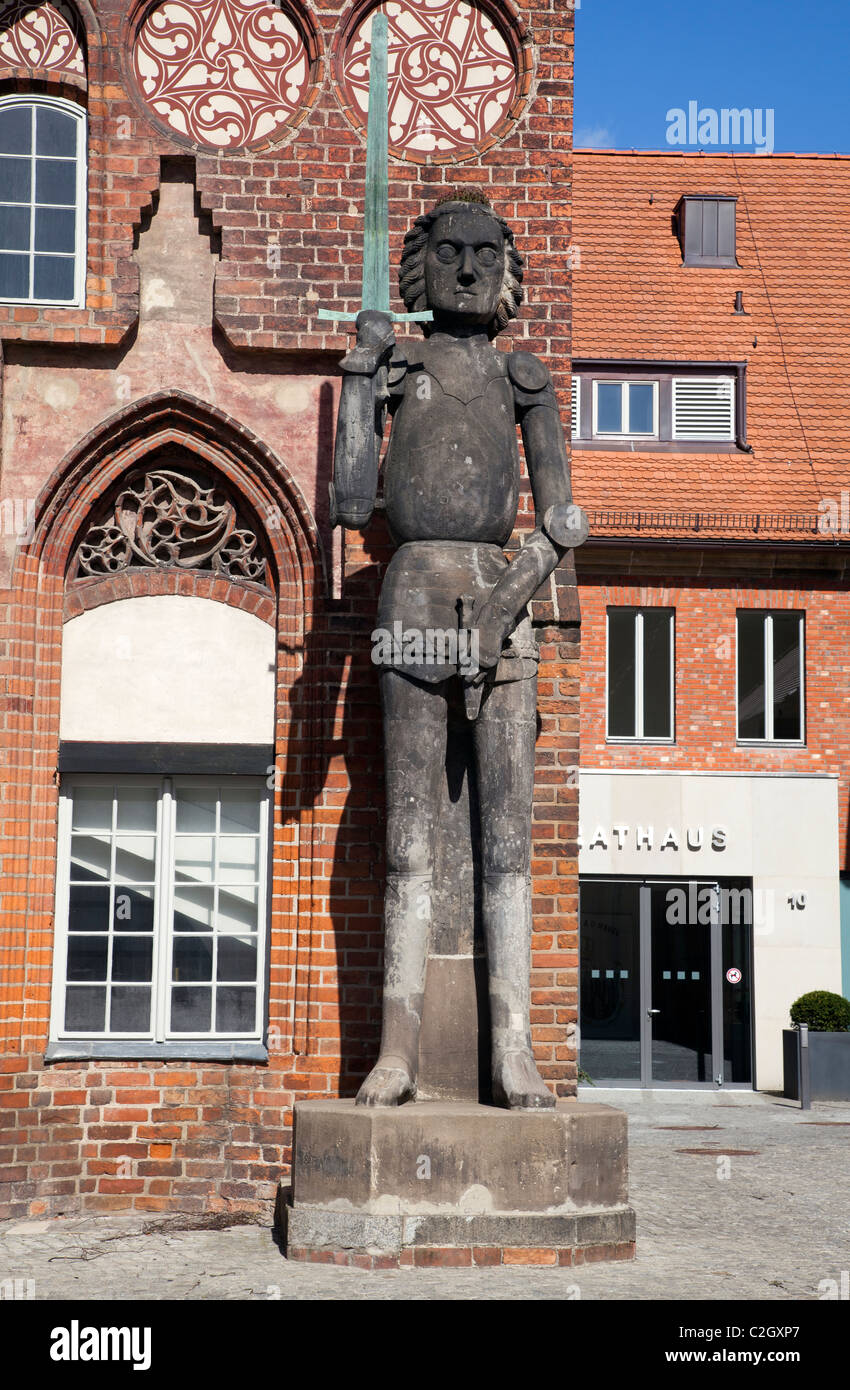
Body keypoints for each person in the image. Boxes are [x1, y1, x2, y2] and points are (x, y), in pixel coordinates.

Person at [331, 193, 588, 1108]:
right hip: (411, 586)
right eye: (452, 254)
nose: (471, 269)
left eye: (487, 253)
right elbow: (353, 503)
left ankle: (511, 1044)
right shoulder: (399, 367)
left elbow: (563, 520)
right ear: (422, 269)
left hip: (501, 591)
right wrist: (360, 384)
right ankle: (398, 1048)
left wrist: (509, 599)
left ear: (509, 271)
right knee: (406, 832)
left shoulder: (524, 378)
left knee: (507, 836)